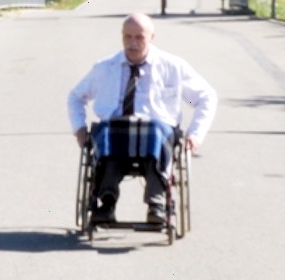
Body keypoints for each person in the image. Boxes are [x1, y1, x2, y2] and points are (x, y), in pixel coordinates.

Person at [67, 12, 217, 226]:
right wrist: (79, 128)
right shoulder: (105, 67)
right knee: (107, 133)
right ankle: (106, 203)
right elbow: (75, 96)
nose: (133, 43)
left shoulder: (172, 66)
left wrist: (195, 134)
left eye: (139, 37)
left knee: (155, 131)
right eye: (127, 37)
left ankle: (157, 203)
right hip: (115, 129)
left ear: (152, 38)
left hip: (157, 131)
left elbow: (206, 96)